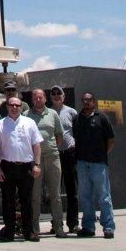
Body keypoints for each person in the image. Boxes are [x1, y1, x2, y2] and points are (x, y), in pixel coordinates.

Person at [0, 95, 42, 243]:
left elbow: (36, 145)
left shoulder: (30, 123)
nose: (14, 107)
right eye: (11, 105)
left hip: (26, 166)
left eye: (17, 105)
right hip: (7, 166)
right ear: (7, 106)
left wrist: (37, 164)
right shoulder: (0, 125)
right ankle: (9, 231)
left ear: (21, 107)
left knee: (27, 200)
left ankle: (29, 232)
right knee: (8, 201)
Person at [73, 92, 116, 239]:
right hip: (82, 163)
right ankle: (88, 226)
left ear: (94, 101)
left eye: (89, 100)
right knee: (85, 196)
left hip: (99, 164)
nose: (86, 102)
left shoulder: (102, 118)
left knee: (103, 196)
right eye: (84, 100)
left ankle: (108, 226)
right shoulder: (78, 119)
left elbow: (111, 140)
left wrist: (102, 155)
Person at [25, 88, 65, 237]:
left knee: (55, 194)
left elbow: (59, 135)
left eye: (40, 97)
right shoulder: (26, 115)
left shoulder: (53, 114)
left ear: (45, 99)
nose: (38, 100)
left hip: (52, 157)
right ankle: (35, 228)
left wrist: (52, 148)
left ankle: (58, 226)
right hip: (35, 159)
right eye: (35, 98)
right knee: (35, 195)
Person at [50, 85, 79, 233]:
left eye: (58, 93)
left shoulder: (71, 112)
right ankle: (56, 223)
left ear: (63, 96)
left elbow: (78, 132)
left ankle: (73, 222)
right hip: (53, 154)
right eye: (53, 93)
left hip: (69, 153)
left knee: (71, 189)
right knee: (54, 192)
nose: (56, 95)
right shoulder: (47, 113)